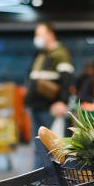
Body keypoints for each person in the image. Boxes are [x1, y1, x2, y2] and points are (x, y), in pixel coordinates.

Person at [25, 22, 74, 167]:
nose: (37, 38)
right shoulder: (41, 54)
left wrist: (62, 102)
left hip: (49, 107)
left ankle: (49, 178)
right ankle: (39, 176)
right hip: (37, 106)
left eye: (40, 34)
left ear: (50, 35)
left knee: (48, 145)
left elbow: (66, 80)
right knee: (38, 144)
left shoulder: (60, 53)